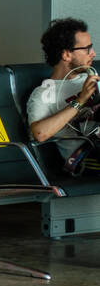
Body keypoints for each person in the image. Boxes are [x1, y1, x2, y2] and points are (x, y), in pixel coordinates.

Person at [27, 17, 100, 174]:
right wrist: (80, 100)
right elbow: (40, 133)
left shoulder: (90, 77)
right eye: (87, 48)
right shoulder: (46, 92)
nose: (93, 53)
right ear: (67, 55)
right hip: (85, 157)